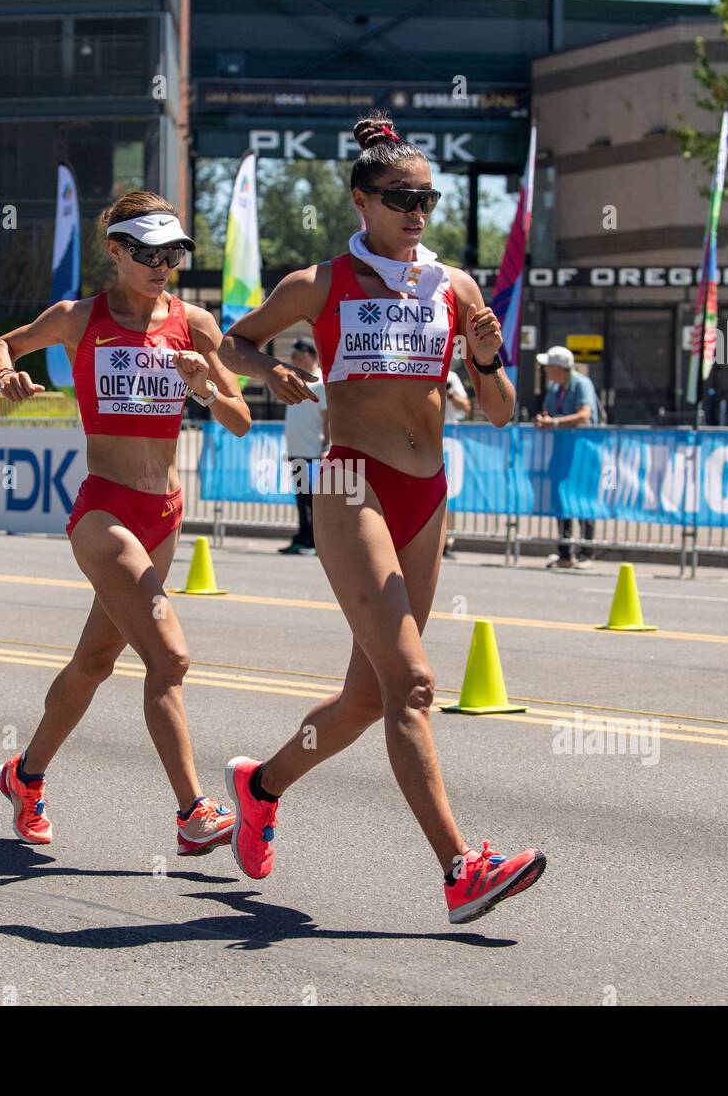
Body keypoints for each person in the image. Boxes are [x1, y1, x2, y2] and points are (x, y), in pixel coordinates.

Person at [220, 111, 547, 924]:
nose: (418, 210)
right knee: (415, 684)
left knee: (367, 700)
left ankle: (260, 785)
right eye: (401, 195)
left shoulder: (456, 287)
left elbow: (501, 410)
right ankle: (461, 868)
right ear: (362, 199)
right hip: (348, 486)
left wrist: (485, 356)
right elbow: (234, 342)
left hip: (426, 493)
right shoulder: (319, 283)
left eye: (428, 197)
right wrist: (273, 375)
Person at [0, 191, 251, 857]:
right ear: (116, 251)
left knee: (96, 660)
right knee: (169, 656)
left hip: (164, 514)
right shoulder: (80, 318)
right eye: (148, 253)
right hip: (104, 508)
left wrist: (205, 387)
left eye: (173, 253)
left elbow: (240, 417)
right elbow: (6, 343)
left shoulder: (195, 323)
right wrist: (8, 376)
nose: (162, 265)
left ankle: (25, 775)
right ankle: (193, 811)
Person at [533, 346, 597, 570]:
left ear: (560, 369)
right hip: (561, 450)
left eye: (549, 367)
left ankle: (586, 552)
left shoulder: (581, 384)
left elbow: (584, 416)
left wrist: (555, 423)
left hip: (582, 452)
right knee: (560, 498)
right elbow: (549, 412)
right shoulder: (553, 387)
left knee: (582, 498)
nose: (546, 371)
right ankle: (565, 552)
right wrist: (544, 418)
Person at [280, 338, 328, 555]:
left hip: (314, 453)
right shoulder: (298, 382)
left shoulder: (319, 383)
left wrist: (327, 445)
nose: (294, 361)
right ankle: (303, 536)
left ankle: (314, 540)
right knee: (302, 497)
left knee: (314, 499)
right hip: (299, 451)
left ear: (309, 355)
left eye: (298, 356)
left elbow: (328, 418)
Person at [442, 368, 471, 559]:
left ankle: (447, 541)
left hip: (447, 444)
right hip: (422, 440)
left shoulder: (451, 377)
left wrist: (450, 392)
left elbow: (466, 407)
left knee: (448, 492)